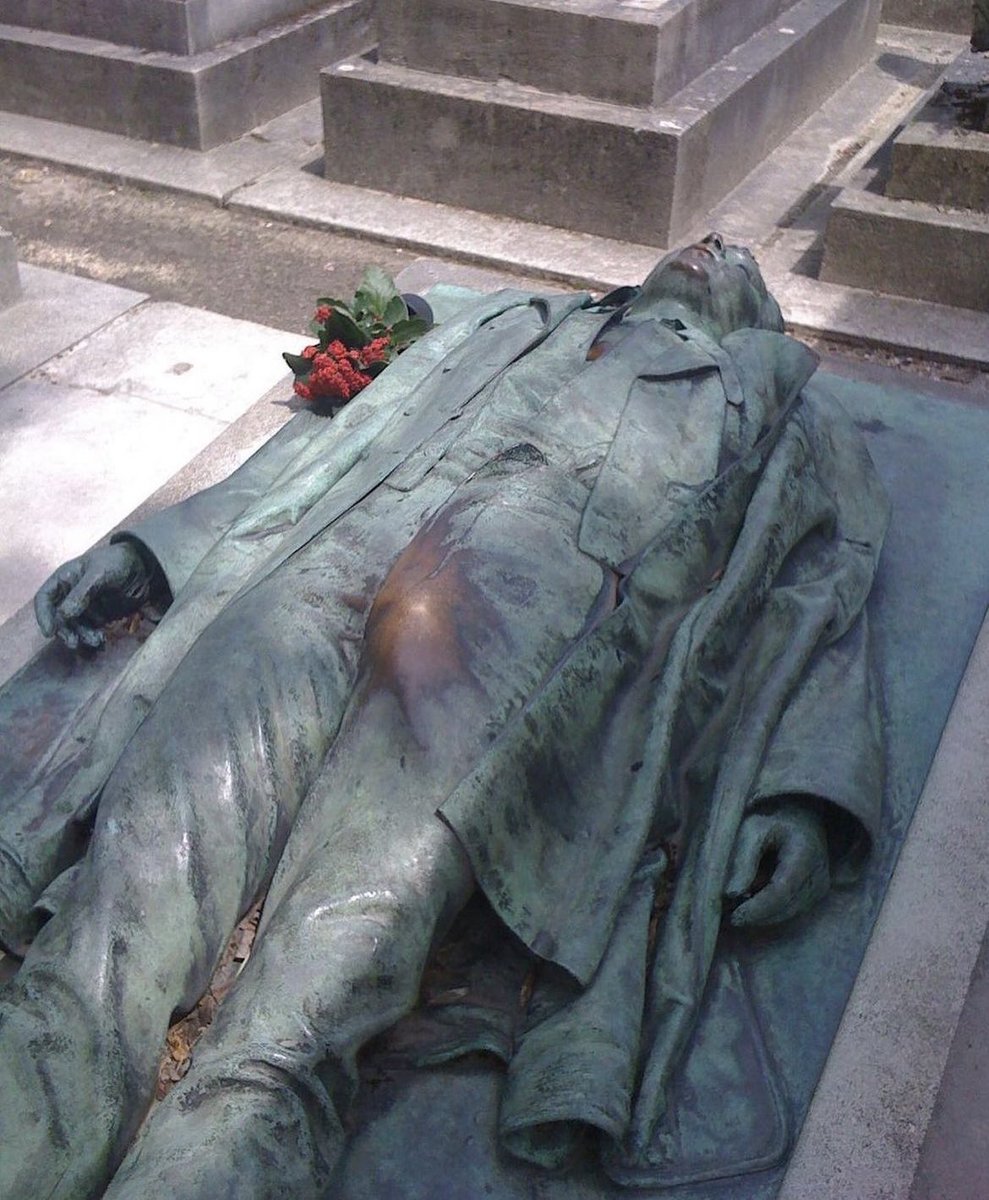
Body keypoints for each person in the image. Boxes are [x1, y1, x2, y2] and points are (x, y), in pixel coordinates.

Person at [0, 235, 889, 1199]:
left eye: (744, 262)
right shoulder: (509, 320)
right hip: (331, 569)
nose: (720, 244)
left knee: (309, 1002)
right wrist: (156, 548)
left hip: (514, 632)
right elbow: (310, 460)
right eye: (708, 239)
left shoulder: (785, 410)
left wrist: (800, 792)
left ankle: (223, 1152)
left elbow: (817, 602)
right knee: (131, 889)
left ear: (756, 317)